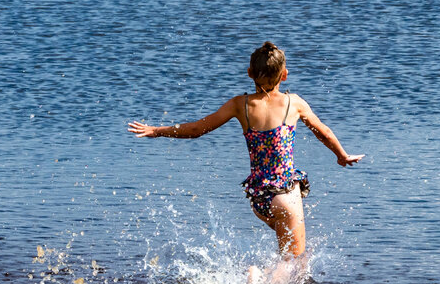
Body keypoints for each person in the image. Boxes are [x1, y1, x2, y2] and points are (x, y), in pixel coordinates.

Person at [128, 41, 362, 258]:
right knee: (294, 264)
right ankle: (256, 277)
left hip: (259, 197)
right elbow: (324, 132)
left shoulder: (240, 105)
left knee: (288, 255)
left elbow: (197, 129)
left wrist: (157, 130)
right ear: (285, 75)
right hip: (285, 194)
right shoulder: (295, 103)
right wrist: (341, 155)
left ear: (249, 73)